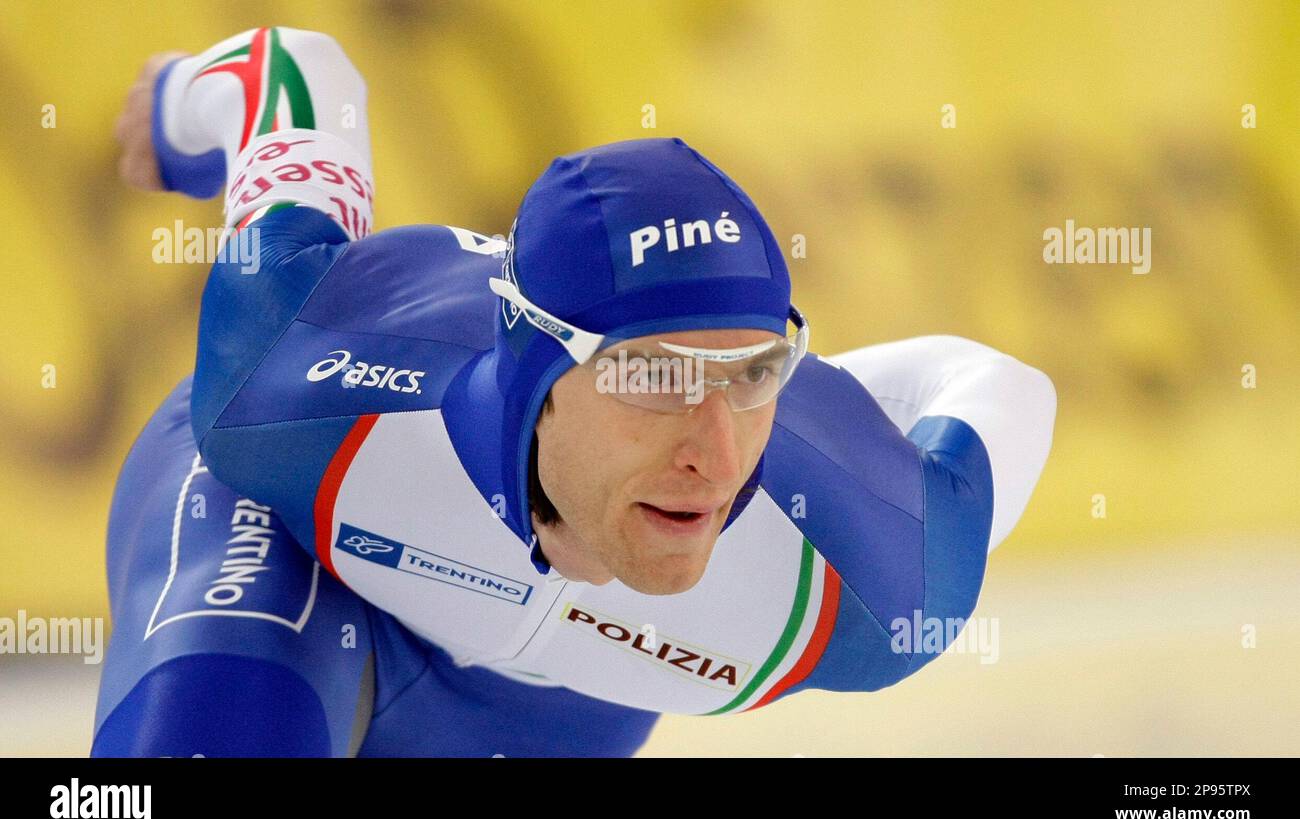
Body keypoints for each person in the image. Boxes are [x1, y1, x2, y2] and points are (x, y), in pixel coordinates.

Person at [92, 27, 1056, 757]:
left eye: (754, 376)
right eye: (653, 377)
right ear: (536, 375)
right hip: (294, 543)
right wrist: (176, 109)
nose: (715, 459)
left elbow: (1002, 383)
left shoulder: (875, 583)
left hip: (538, 707)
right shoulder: (292, 373)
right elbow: (293, 74)